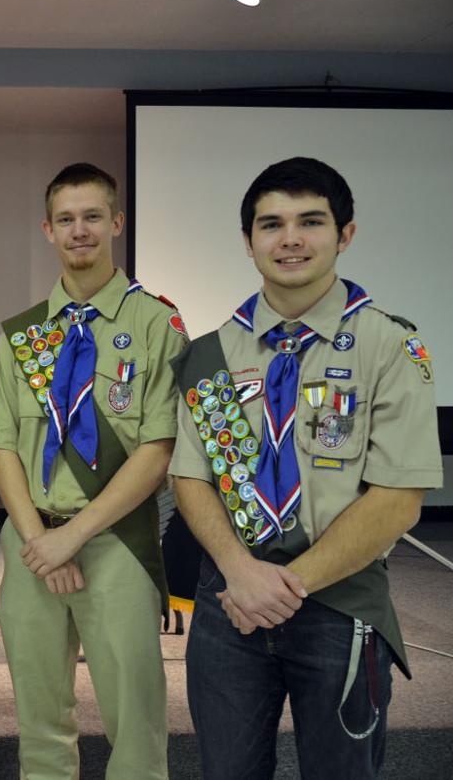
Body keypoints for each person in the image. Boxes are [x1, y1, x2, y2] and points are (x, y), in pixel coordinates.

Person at [169, 156, 443, 778]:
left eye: (310, 221)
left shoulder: (389, 346)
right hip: (230, 602)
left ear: (344, 234)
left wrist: (284, 588)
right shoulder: (211, 352)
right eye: (271, 224)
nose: (290, 239)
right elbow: (191, 478)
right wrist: (242, 573)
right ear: (249, 242)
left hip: (340, 602)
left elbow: (397, 499)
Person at [0, 163, 186, 779]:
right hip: (30, 544)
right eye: (67, 219)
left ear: (117, 223)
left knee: (135, 724)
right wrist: (38, 540)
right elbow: (3, 448)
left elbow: (157, 449)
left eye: (93, 217)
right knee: (39, 718)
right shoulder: (22, 333)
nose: (80, 230)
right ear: (48, 229)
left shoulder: (157, 322)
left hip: (115, 542)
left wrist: (70, 538)